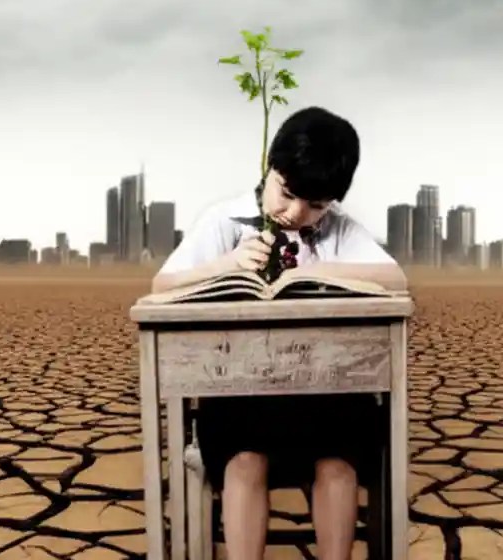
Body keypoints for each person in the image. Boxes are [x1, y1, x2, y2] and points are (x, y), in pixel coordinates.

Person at [151, 105, 407, 560]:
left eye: (316, 206)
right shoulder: (224, 222)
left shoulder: (338, 230)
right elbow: (160, 286)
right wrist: (225, 265)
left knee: (337, 466)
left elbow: (396, 279)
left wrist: (321, 267)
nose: (295, 213)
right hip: (242, 400)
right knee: (245, 463)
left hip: (324, 398)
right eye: (287, 194)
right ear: (270, 167)